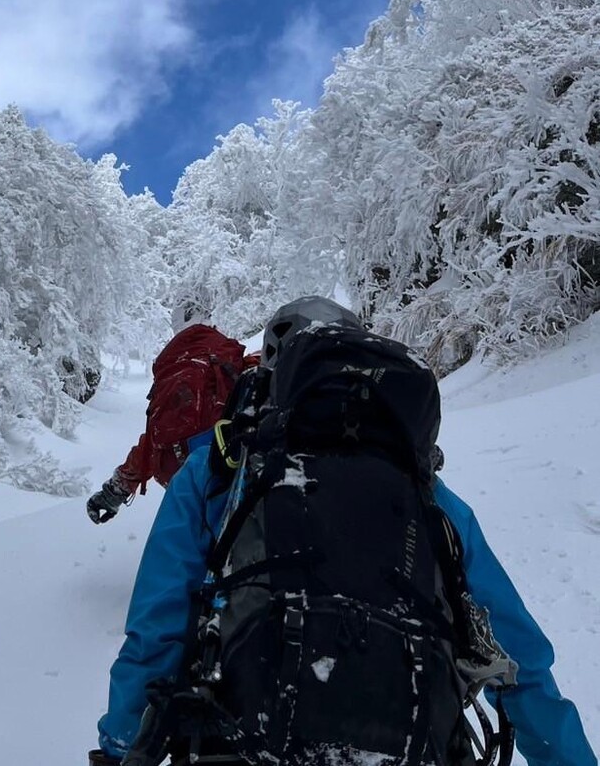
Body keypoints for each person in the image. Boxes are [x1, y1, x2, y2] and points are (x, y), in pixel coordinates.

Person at [92, 297, 596, 766]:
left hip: (241, 737)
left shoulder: (214, 472)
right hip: (412, 739)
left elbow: (156, 632)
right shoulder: (427, 494)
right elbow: (519, 657)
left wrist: (118, 748)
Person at [86, 317, 258, 526]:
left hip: (183, 482)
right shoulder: (238, 372)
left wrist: (114, 492)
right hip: (236, 479)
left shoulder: (179, 389)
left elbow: (150, 446)